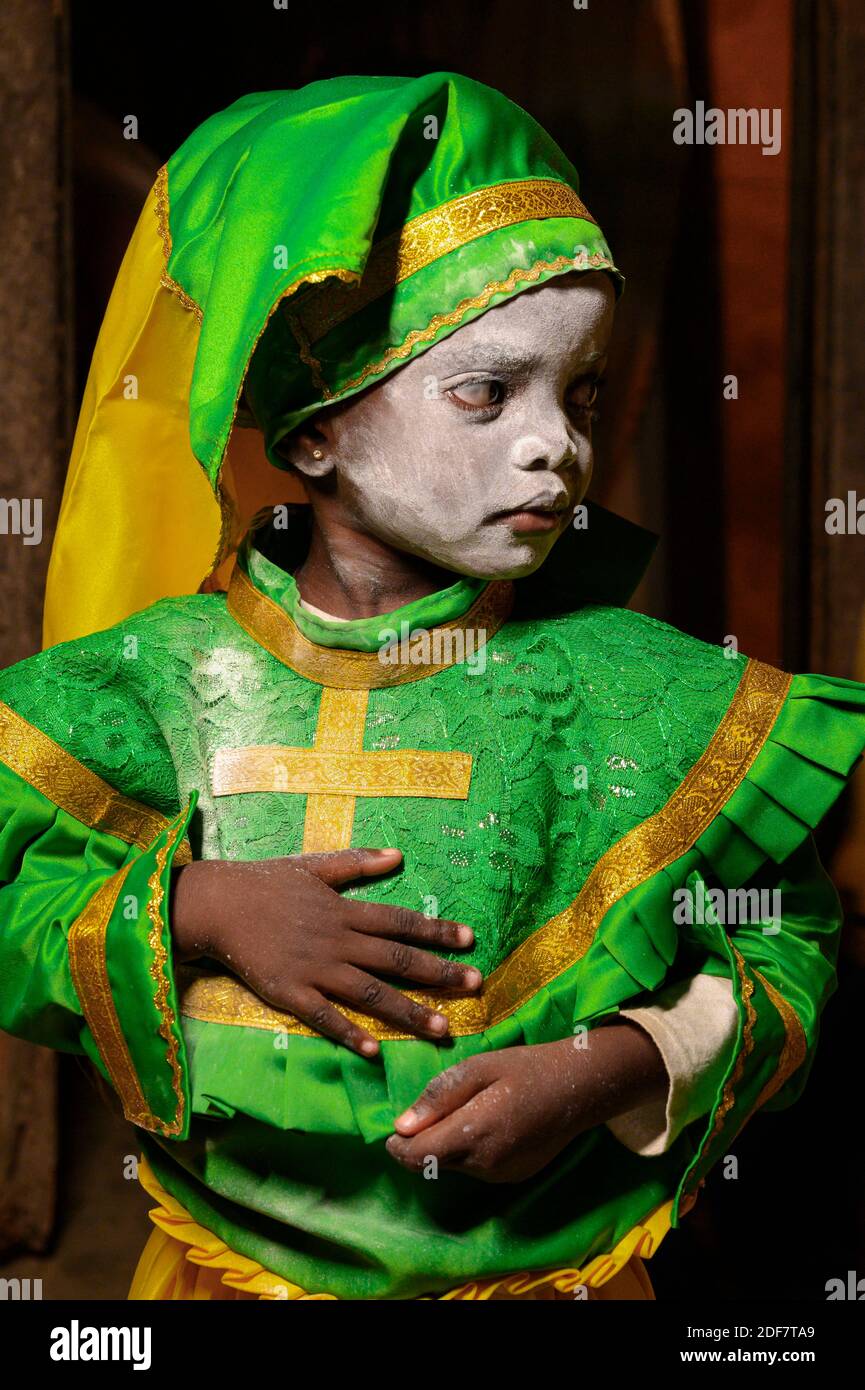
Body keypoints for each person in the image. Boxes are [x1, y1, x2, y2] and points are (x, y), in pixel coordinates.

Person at [1, 72, 863, 1302]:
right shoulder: (158, 679)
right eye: (487, 391)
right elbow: (15, 911)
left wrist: (612, 1063)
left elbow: (779, 950)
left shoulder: (640, 693)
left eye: (581, 392)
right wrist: (193, 907)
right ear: (315, 435)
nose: (554, 443)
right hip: (212, 1277)